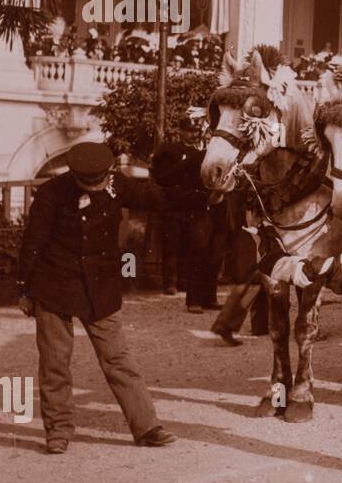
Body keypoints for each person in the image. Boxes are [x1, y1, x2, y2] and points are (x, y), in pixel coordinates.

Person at [18, 141, 201, 453]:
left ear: (108, 172)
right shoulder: (51, 193)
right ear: (74, 175)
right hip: (54, 286)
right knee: (54, 362)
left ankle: (147, 427)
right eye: (90, 182)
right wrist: (25, 290)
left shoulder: (118, 184)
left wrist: (203, 196)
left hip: (101, 288)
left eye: (102, 179)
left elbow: (156, 198)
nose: (99, 185)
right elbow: (33, 243)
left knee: (118, 359)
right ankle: (58, 431)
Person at [151, 108, 227, 312]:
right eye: (191, 130)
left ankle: (209, 297)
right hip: (192, 205)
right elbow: (165, 180)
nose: (196, 134)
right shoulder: (172, 151)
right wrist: (191, 160)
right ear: (181, 131)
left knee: (215, 254)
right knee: (197, 251)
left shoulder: (213, 151)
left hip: (215, 206)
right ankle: (191, 297)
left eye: (198, 130)